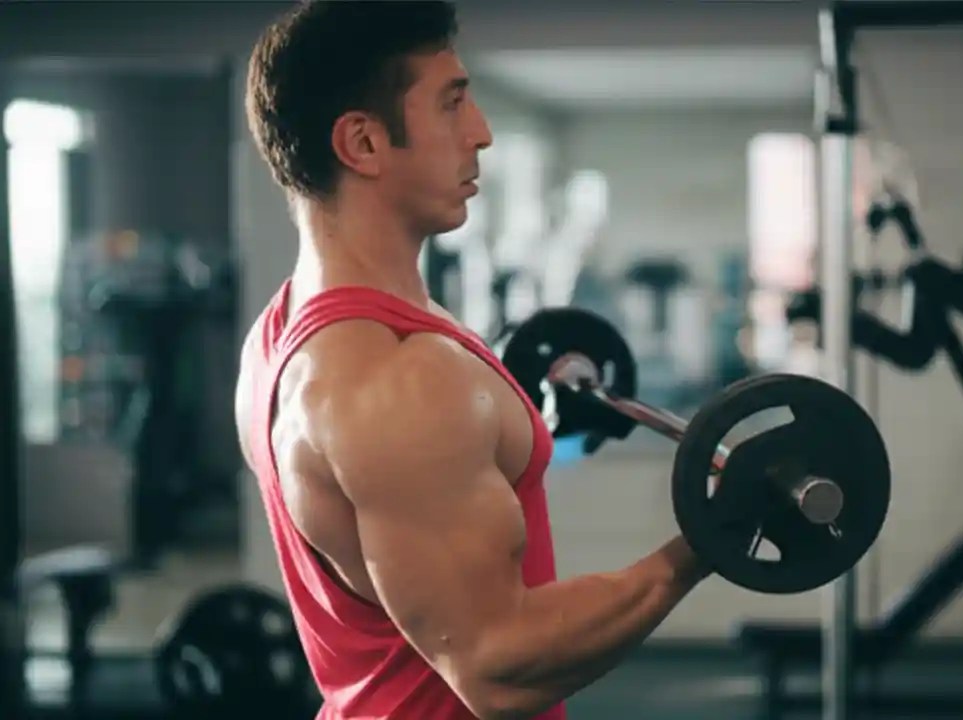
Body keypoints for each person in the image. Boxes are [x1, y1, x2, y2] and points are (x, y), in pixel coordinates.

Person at [233, 3, 709, 719]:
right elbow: (497, 668)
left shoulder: (280, 338)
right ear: (363, 142)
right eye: (451, 103)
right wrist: (700, 548)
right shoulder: (400, 378)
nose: (480, 132)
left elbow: (430, 478)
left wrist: (534, 417)